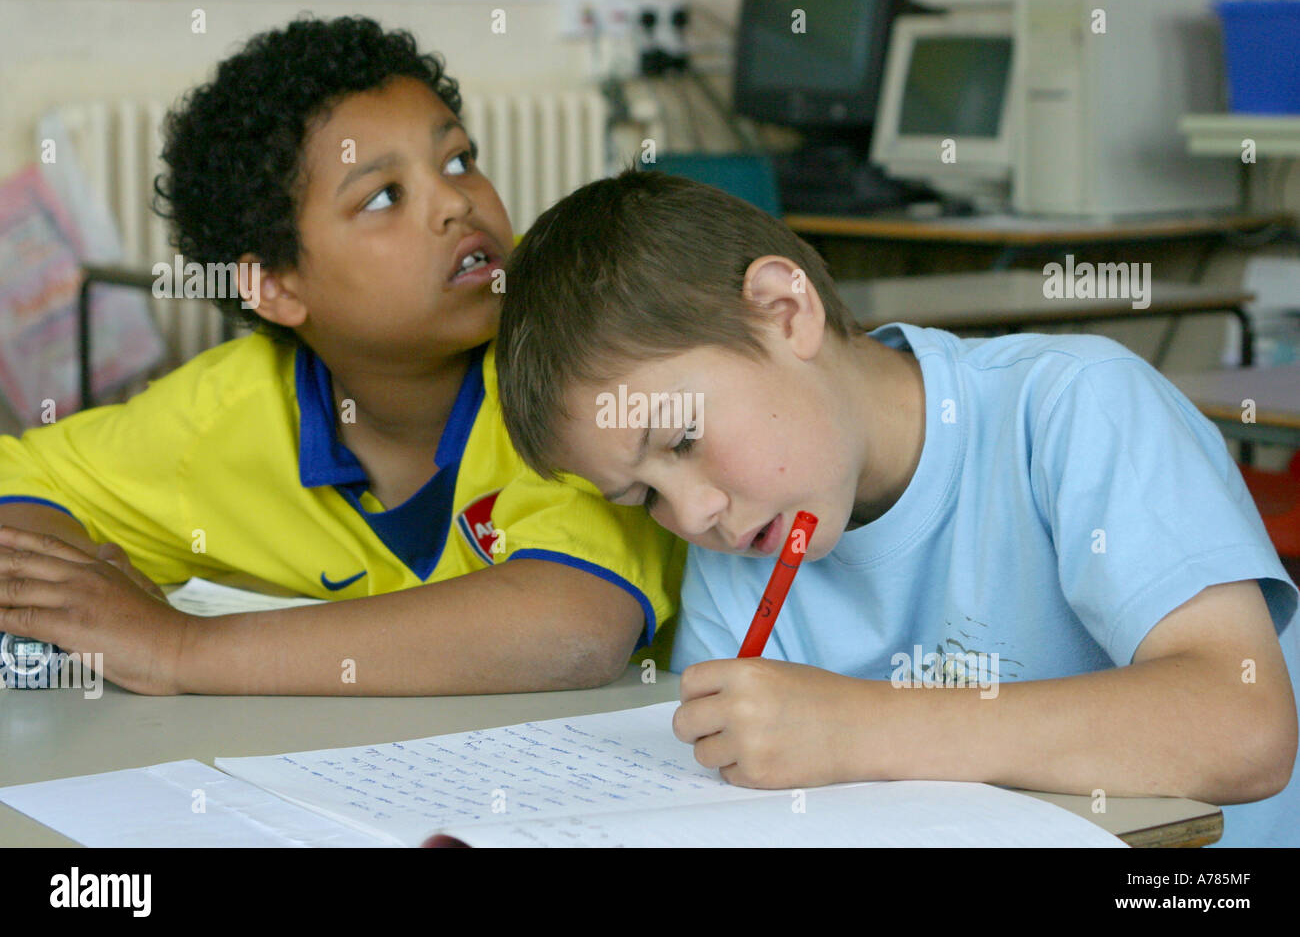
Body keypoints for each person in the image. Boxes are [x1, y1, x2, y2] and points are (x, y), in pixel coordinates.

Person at [494, 168, 1299, 846]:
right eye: (643, 497)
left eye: (680, 440)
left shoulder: (1076, 406)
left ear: (784, 310)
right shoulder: (734, 546)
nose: (696, 511)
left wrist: (862, 729)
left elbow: (1243, 725)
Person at [0, 18, 682, 696]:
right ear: (274, 286)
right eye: (384, 196)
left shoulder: (579, 328)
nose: (454, 202)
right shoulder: (229, 412)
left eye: (457, 160)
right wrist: (80, 594)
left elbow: (575, 627)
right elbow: (22, 480)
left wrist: (180, 646)